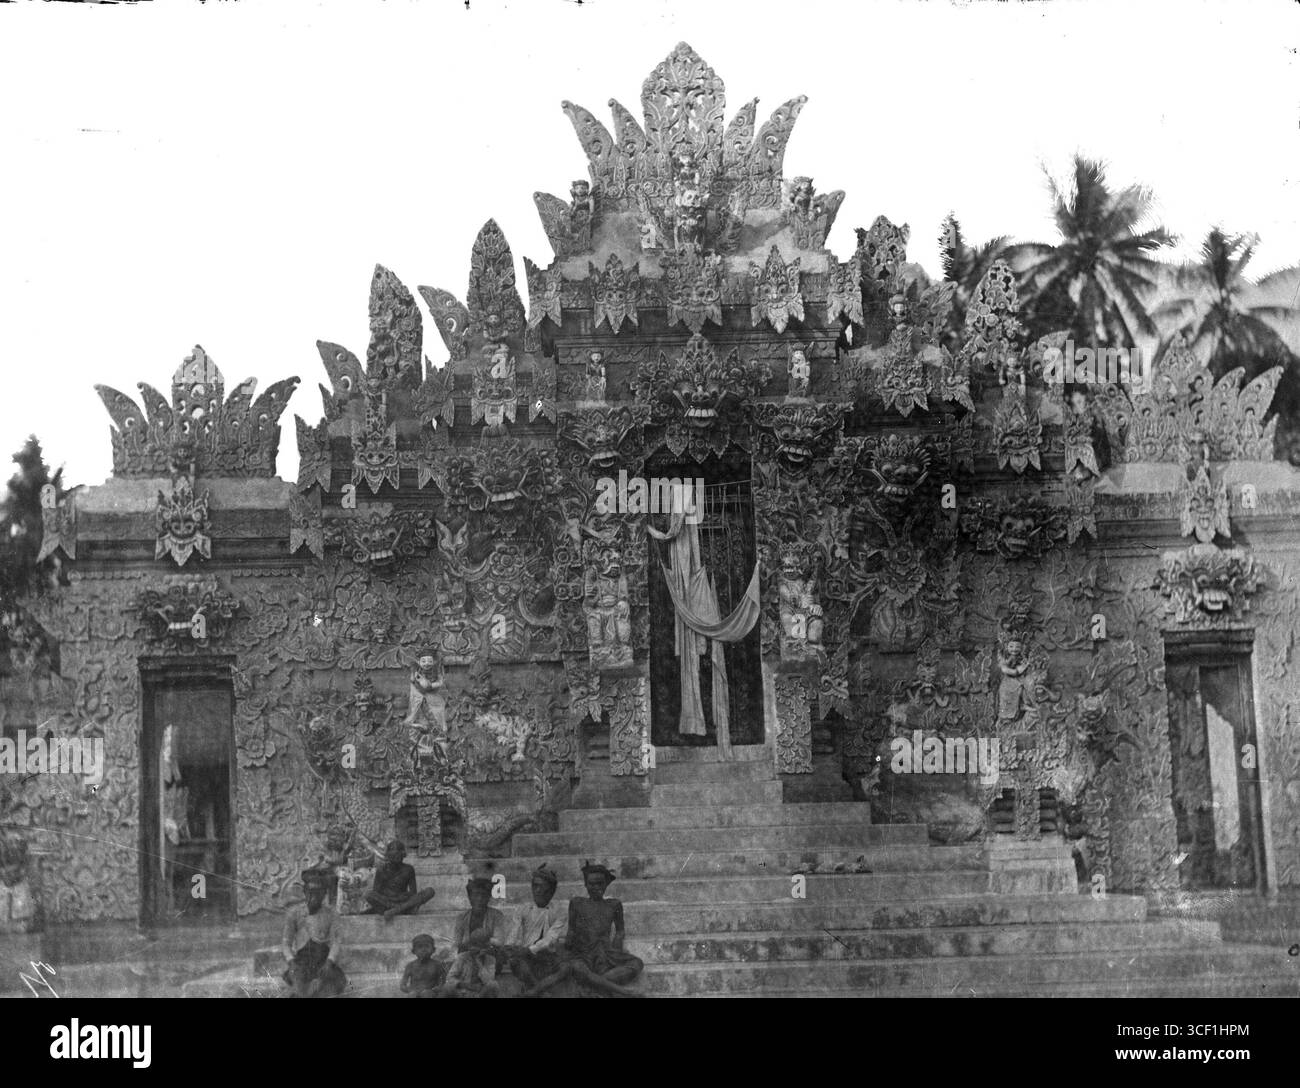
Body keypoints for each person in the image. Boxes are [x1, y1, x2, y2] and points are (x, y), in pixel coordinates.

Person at [530, 861, 643, 997]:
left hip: (605, 952)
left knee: (637, 963)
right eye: (591, 884)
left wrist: (616, 948)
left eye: (600, 883)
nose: (596, 887)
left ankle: (592, 986)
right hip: (583, 953)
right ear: (585, 884)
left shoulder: (614, 904)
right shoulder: (577, 903)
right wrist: (567, 948)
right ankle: (619, 991)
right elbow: (571, 931)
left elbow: (620, 931)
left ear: (606, 884)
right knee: (576, 967)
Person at [502, 864, 568, 995]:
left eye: (542, 887)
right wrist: (510, 946)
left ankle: (533, 991)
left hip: (547, 955)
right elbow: (514, 932)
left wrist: (529, 950)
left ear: (551, 891)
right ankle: (540, 992)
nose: (537, 891)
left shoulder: (560, 912)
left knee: (566, 968)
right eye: (534, 886)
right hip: (526, 957)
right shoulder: (523, 909)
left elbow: (550, 938)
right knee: (517, 963)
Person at [282, 869, 347, 998]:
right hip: (302, 960)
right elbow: (286, 943)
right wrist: (291, 962)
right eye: (310, 893)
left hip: (322, 958)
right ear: (305, 892)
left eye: (318, 894)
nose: (314, 897)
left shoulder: (331, 914)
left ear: (324, 895)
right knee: (299, 986)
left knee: (330, 985)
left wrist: (330, 961)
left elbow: (336, 941)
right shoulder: (294, 913)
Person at [440, 877, 507, 998]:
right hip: (467, 954)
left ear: (489, 897)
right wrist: (470, 943)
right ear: (470, 897)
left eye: (483, 895)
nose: (479, 899)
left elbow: (499, 941)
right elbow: (457, 942)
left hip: (489, 953)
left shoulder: (496, 915)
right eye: (475, 895)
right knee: (447, 965)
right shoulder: (462, 917)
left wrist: (483, 941)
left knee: (490, 976)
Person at [364, 840, 435, 920]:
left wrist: (403, 896)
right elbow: (376, 891)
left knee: (430, 891)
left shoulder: (409, 869)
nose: (396, 860)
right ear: (388, 857)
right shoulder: (381, 869)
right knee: (368, 894)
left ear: (403, 856)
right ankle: (403, 910)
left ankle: (396, 911)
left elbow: (413, 893)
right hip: (387, 901)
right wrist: (389, 895)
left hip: (403, 901)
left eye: (399, 857)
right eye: (393, 857)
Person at [400, 934, 447, 998]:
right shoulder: (410, 966)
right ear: (413, 951)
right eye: (420, 947)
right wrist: (410, 990)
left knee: (427, 995)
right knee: (412, 995)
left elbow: (443, 983)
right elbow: (403, 985)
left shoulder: (438, 965)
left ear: (433, 950)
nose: (423, 950)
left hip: (431, 994)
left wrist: (433, 990)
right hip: (414, 993)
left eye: (427, 946)